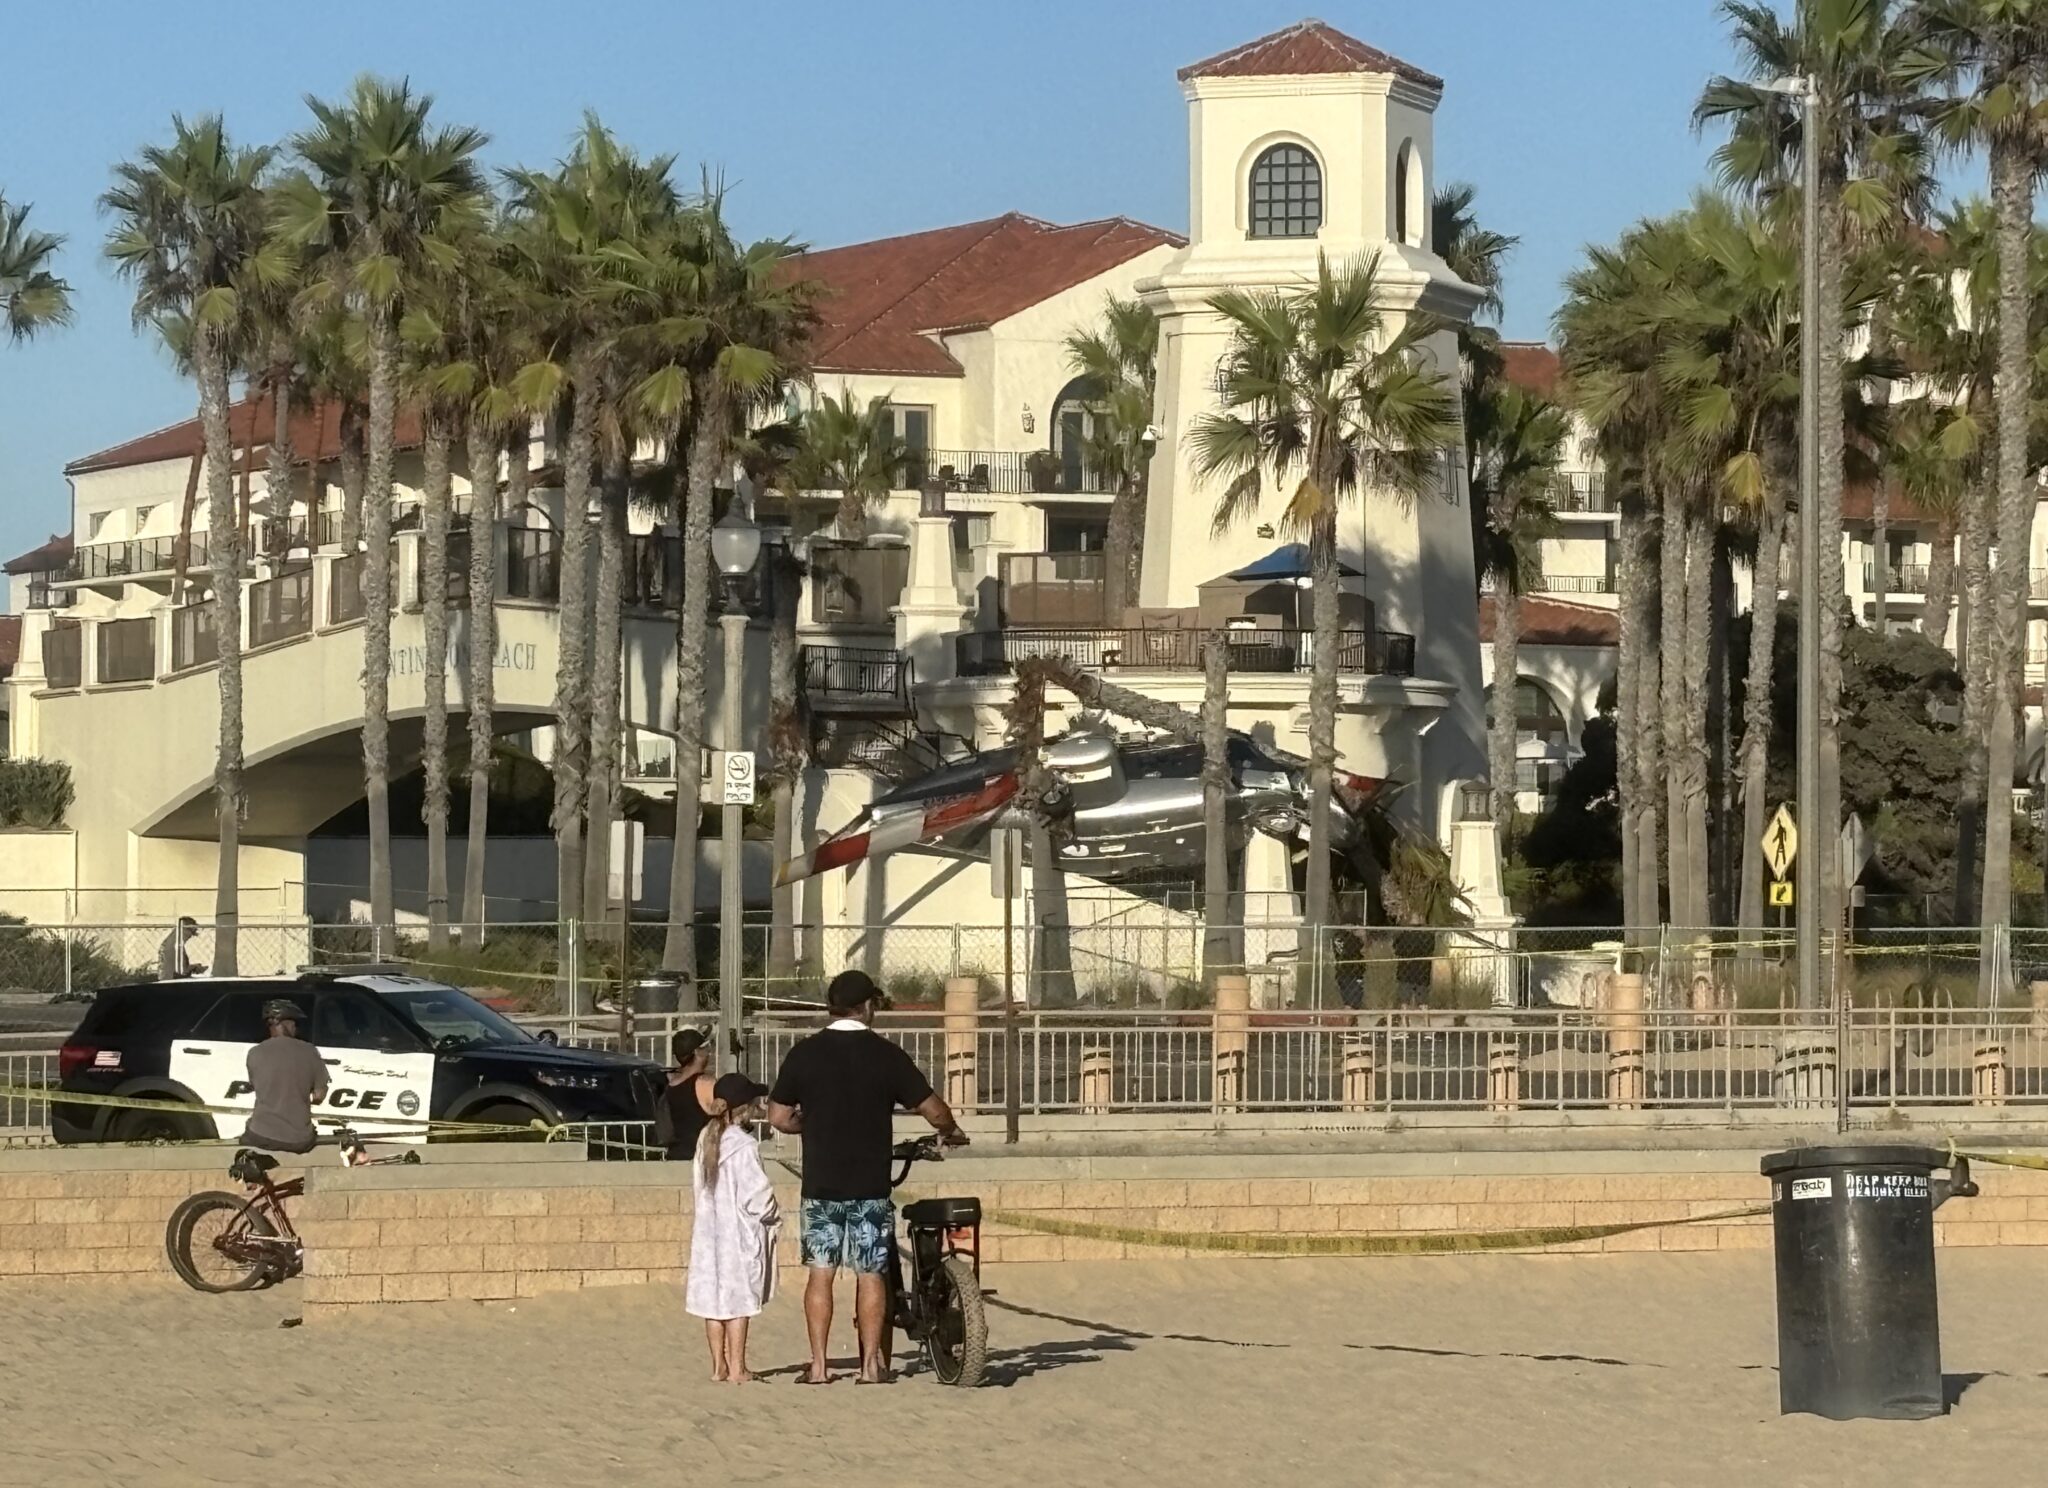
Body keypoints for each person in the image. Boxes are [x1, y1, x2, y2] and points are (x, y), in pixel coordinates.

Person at [767, 969, 966, 1385]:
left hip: (821, 1184)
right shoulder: (886, 1055)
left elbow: (779, 1117)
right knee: (871, 1272)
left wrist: (811, 1123)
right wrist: (950, 1131)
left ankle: (818, 1366)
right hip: (869, 1185)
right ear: (868, 1006)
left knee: (820, 1272)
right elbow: (933, 1109)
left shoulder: (804, 1054)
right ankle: (871, 1366)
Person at [685, 1072, 781, 1383]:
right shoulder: (744, 1145)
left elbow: (697, 1186)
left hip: (708, 1232)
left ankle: (719, 1366)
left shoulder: (705, 1137)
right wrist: (771, 1215)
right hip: (737, 1232)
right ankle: (738, 1367)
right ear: (744, 1107)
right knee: (738, 1301)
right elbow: (758, 1195)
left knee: (712, 1302)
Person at [241, 999, 329, 1156]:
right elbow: (319, 1096)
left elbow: (257, 1086)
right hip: (299, 1141)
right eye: (295, 1023)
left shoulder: (254, 1052)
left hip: (261, 1135)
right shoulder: (310, 1051)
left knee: (249, 1130)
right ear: (286, 1023)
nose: (296, 1027)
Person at [659, 1028, 717, 1161]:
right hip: (701, 1158)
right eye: (705, 1047)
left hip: (676, 1156)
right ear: (697, 1052)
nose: (709, 1052)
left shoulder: (671, 1085)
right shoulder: (706, 1084)